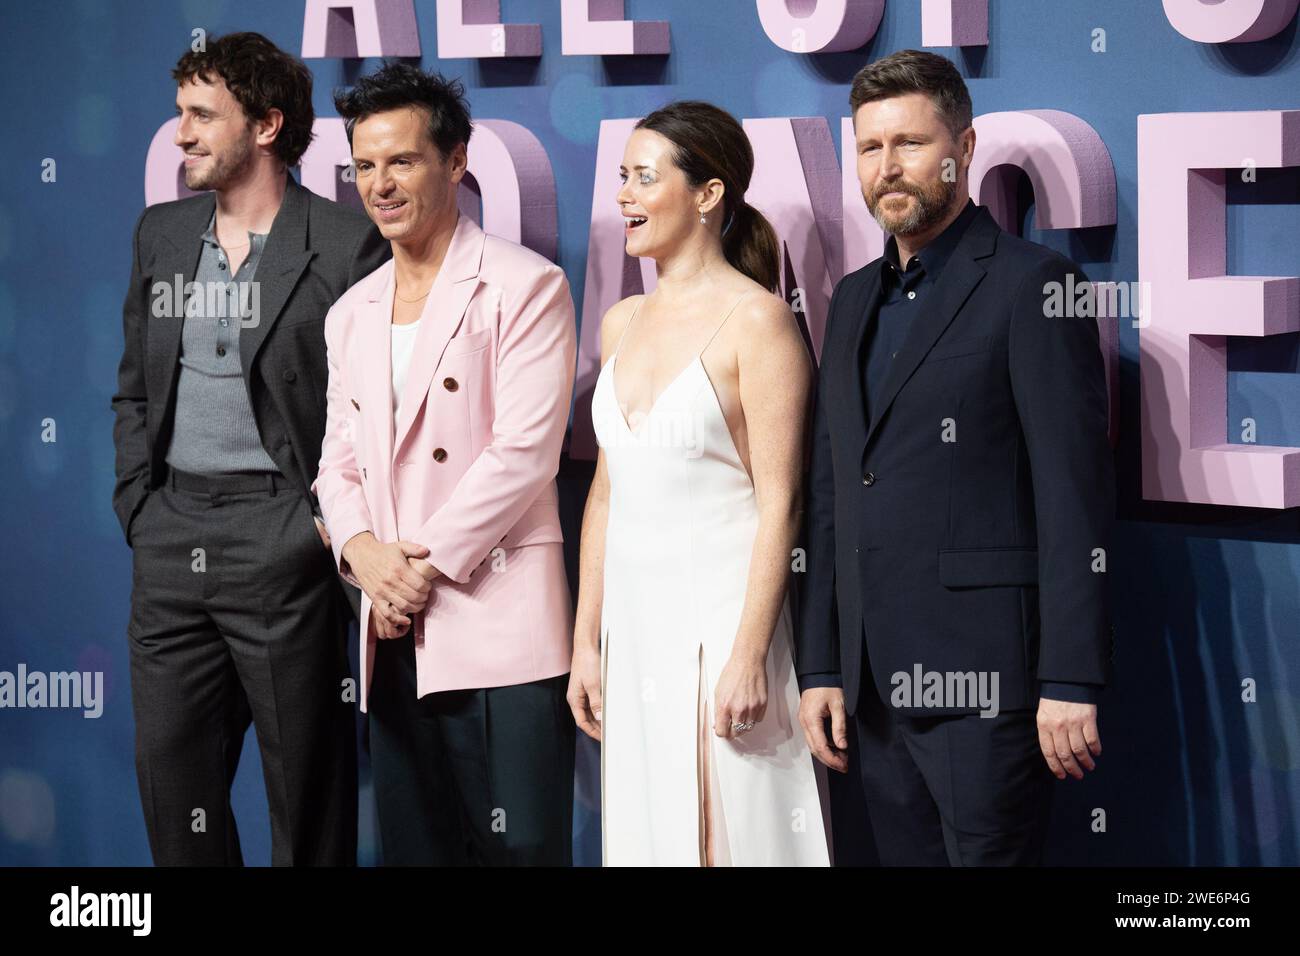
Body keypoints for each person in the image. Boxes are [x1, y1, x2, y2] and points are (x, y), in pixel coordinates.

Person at [797, 49, 1116, 866]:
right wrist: (823, 664)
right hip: (872, 693)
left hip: (988, 693)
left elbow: (1073, 499)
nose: (886, 167)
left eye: (908, 142)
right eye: (869, 148)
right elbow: (835, 492)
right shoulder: (854, 299)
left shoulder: (1035, 285)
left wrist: (1070, 680)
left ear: (963, 149)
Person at [111, 32, 389, 865]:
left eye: (202, 115)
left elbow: (369, 414)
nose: (181, 134)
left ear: (267, 126)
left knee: (307, 803)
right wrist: (138, 505)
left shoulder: (345, 245)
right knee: (175, 800)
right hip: (169, 539)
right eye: (179, 114)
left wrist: (313, 530)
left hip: (283, 538)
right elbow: (133, 385)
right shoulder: (160, 233)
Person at [314, 64, 577, 866]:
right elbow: (337, 463)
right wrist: (363, 558)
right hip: (393, 634)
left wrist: (411, 574)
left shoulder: (525, 285)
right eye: (364, 166)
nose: (379, 185)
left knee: (523, 849)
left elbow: (523, 454)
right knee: (416, 851)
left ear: (456, 162)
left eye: (402, 161)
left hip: (497, 620)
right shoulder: (350, 313)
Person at [568, 100, 831, 866]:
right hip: (633, 637)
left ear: (708, 195)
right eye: (621, 177)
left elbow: (782, 501)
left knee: (729, 842)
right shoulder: (619, 322)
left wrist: (750, 654)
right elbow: (607, 496)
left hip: (723, 630)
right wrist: (588, 642)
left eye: (644, 178)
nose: (623, 196)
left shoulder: (759, 323)